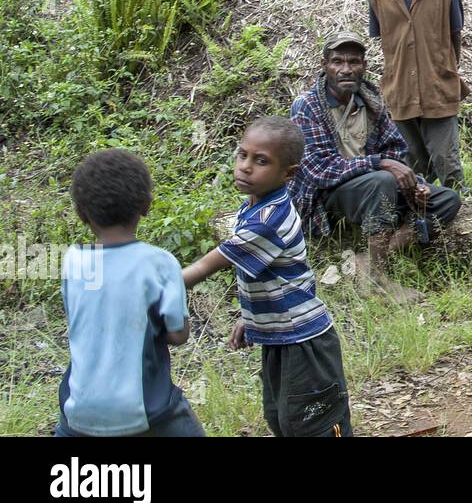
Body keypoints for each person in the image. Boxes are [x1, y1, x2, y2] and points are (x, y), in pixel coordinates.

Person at [183, 118, 351, 437]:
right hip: (281, 336)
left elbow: (204, 268)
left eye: (261, 161)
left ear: (288, 173)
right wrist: (251, 318)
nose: (245, 167)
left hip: (304, 341)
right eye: (242, 155)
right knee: (281, 418)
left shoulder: (268, 220)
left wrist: (148, 284)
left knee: (313, 424)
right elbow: (277, 277)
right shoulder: (254, 206)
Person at [290, 32, 460, 301]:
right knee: (383, 181)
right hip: (326, 195)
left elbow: (393, 148)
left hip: (371, 184)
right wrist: (379, 163)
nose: (346, 69)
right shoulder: (308, 106)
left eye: (354, 62)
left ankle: (368, 260)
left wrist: (412, 184)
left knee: (446, 200)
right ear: (325, 66)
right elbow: (319, 170)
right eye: (338, 61)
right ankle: (376, 279)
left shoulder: (370, 101)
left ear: (363, 66)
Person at [56, 149, 204, 437]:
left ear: (81, 214)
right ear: (146, 205)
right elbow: (179, 335)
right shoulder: (159, 263)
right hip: (148, 411)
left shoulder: (72, 261)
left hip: (78, 410)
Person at [369, 0, 467, 191]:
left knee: (447, 163)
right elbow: (385, 42)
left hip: (438, 87)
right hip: (400, 90)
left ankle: (463, 217)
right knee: (411, 165)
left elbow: (454, 36)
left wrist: (442, 69)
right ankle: (417, 222)